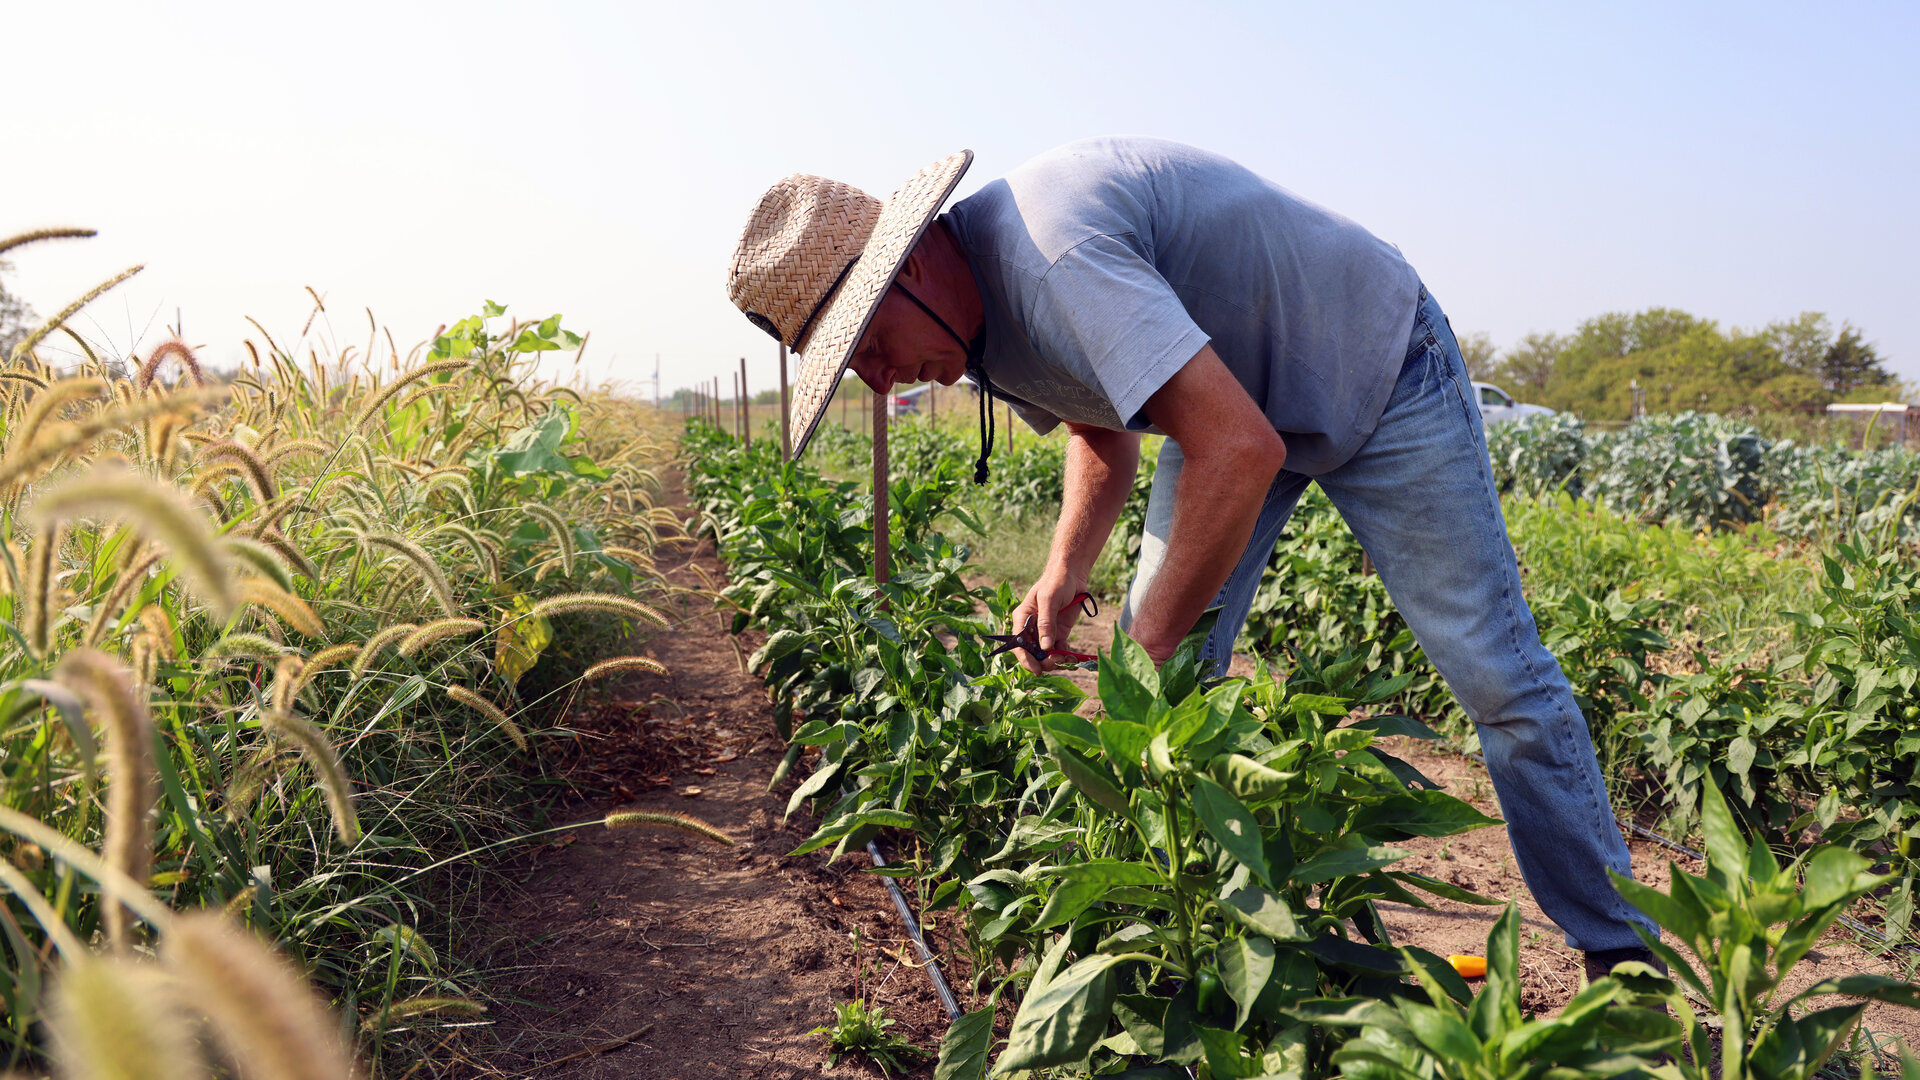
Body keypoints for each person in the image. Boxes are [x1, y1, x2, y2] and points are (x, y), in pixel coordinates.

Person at [725, 137, 1658, 980]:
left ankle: (1621, 951)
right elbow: (1102, 430)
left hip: (1375, 362)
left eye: (873, 343)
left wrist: (1152, 641)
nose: (881, 379)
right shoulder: (974, 321)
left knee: (1493, 672)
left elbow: (1237, 450)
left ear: (914, 262)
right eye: (857, 365)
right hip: (1232, 408)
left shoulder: (1053, 260)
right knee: (1167, 688)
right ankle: (1211, 939)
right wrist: (1063, 570)